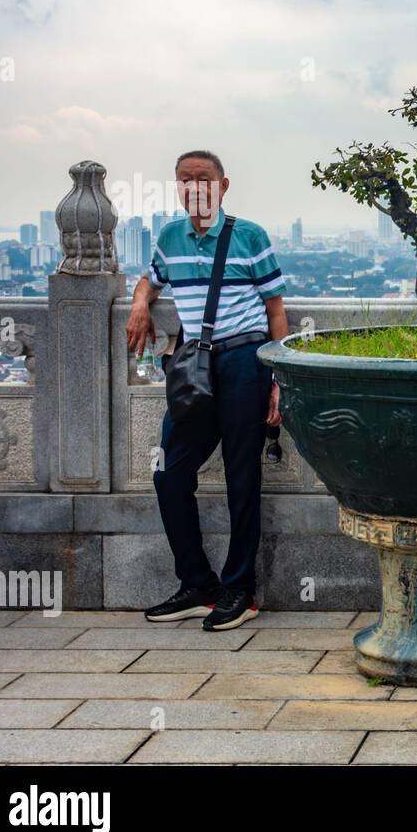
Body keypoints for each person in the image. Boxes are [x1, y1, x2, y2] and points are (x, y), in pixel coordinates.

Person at [125, 150, 288, 630]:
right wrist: (139, 303)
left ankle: (241, 589)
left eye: (204, 178)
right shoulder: (171, 237)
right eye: (185, 179)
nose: (195, 186)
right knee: (169, 474)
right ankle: (198, 584)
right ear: (177, 186)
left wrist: (279, 377)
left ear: (223, 185)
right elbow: (149, 280)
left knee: (242, 477)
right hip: (193, 364)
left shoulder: (249, 236)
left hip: (244, 361)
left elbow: (276, 311)